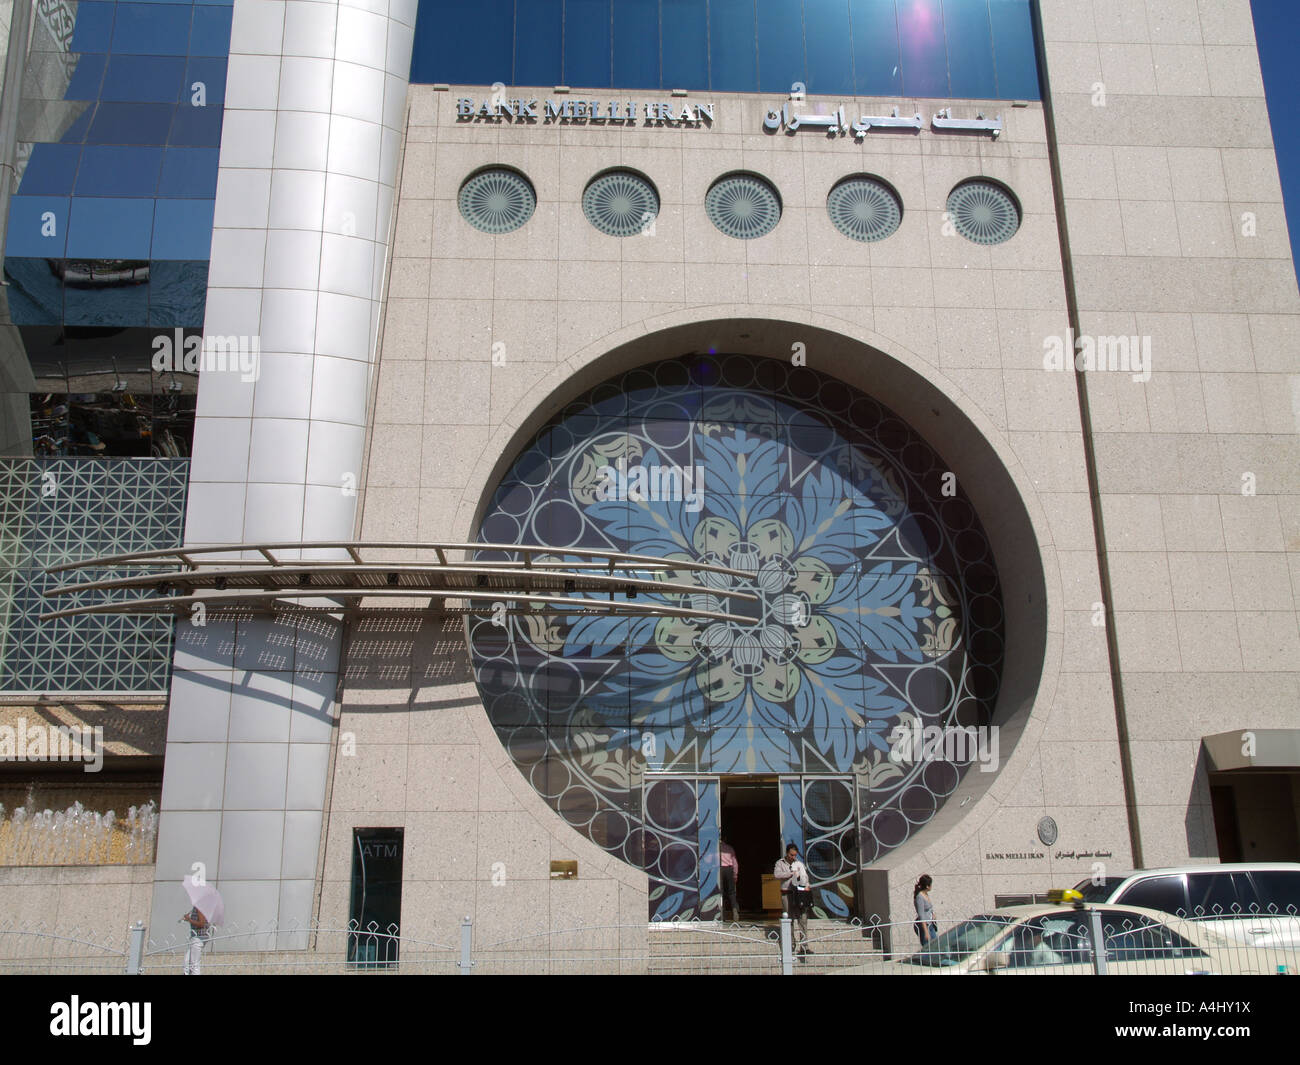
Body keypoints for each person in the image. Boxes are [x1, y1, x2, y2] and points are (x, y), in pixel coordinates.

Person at [774, 843, 813, 958]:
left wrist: (807, 885)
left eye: (795, 855)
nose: (793, 857)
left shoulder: (799, 864)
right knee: (789, 919)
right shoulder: (780, 863)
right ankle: (790, 945)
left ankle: (804, 946)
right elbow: (777, 875)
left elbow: (805, 876)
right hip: (787, 893)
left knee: (802, 919)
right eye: (791, 855)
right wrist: (791, 874)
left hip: (799, 894)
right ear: (787, 853)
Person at [182, 905, 211, 975]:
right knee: (187, 961)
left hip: (199, 937)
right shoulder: (197, 907)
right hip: (196, 936)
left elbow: (201, 923)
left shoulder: (200, 907)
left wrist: (189, 919)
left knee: (194, 964)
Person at [719, 838, 740, 921]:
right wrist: (735, 874)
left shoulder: (716, 848)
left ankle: (722, 913)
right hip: (729, 869)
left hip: (720, 869)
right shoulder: (729, 848)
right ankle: (735, 910)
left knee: (722, 892)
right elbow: (734, 862)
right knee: (731, 892)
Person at [913, 874, 937, 947]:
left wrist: (933, 913)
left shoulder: (925, 894)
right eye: (931, 885)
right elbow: (921, 915)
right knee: (928, 947)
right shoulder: (919, 897)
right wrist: (926, 931)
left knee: (935, 945)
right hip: (924, 926)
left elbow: (929, 907)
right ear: (927, 886)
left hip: (930, 924)